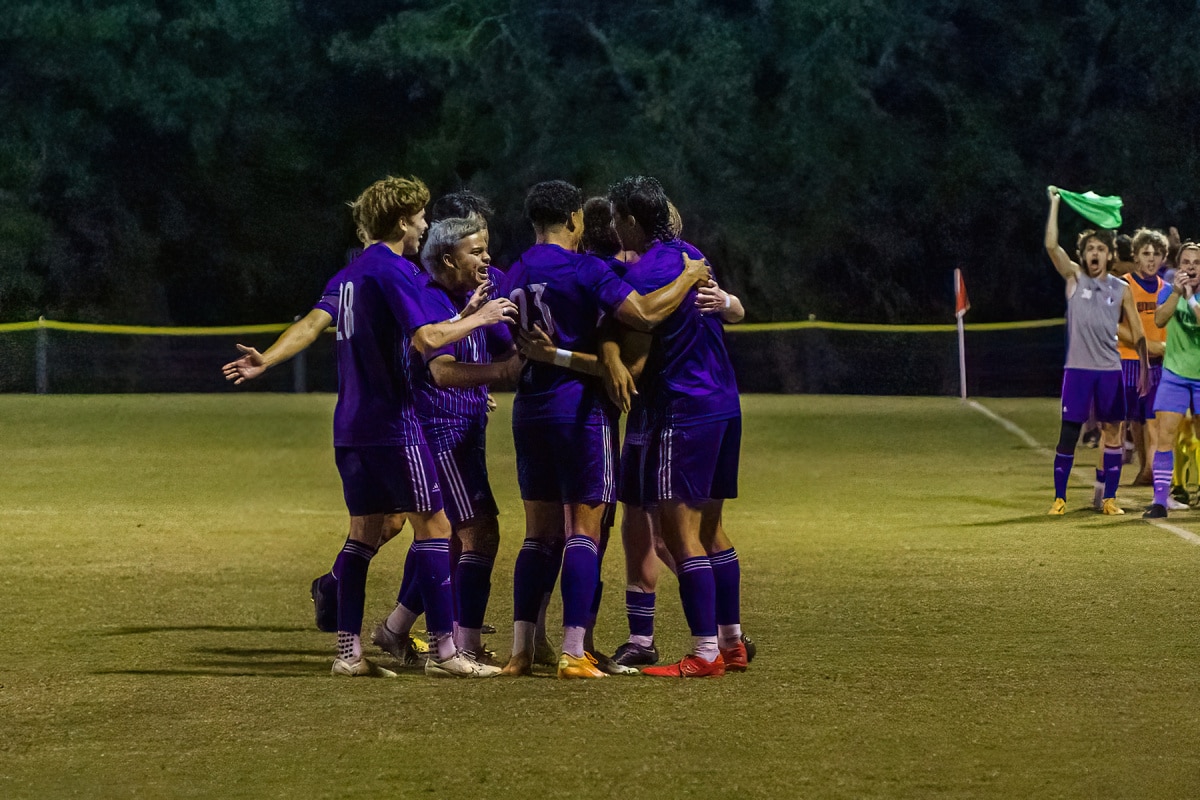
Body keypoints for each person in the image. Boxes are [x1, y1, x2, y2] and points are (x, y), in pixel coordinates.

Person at [225, 176, 509, 678]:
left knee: (363, 533)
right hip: (396, 425)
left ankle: (348, 654)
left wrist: (265, 359)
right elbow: (429, 338)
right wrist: (481, 318)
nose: (425, 226)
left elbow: (312, 324)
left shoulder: (352, 274)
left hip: (349, 427)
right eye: (420, 217)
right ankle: (446, 653)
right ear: (402, 220)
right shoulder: (395, 271)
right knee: (437, 528)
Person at [497, 179, 710, 679]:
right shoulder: (585, 268)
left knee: (537, 536)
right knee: (584, 532)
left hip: (529, 409)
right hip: (580, 410)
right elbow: (645, 313)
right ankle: (574, 651)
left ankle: (521, 650)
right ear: (574, 219)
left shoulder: (513, 273)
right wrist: (689, 274)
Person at [601, 175, 749, 678]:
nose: (612, 226)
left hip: (680, 411)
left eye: (616, 217)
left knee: (677, 533)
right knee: (711, 529)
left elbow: (636, 323)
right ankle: (731, 644)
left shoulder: (650, 271)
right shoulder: (692, 253)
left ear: (631, 221)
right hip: (723, 404)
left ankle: (705, 653)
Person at [371, 215, 520, 665]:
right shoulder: (430, 298)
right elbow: (442, 370)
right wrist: (501, 374)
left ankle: (395, 628)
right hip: (441, 433)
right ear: (449, 258)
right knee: (478, 533)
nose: (487, 258)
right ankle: (462, 643)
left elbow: (506, 343)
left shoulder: (472, 297)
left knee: (447, 537)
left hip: (465, 430)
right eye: (477, 251)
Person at [1044, 187, 1148, 516]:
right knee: (1069, 433)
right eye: (1090, 248)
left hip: (1110, 372)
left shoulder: (1122, 289)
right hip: (1077, 370)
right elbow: (1050, 245)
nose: (1095, 253)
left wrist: (1144, 368)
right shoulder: (1074, 277)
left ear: (1109, 256)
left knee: (1113, 431)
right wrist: (1056, 204)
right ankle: (1060, 498)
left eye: (1101, 248)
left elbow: (1139, 333)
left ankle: (1109, 498)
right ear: (1083, 254)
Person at [1144, 243, 1200, 518]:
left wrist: (1190, 298)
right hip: (1175, 374)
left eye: (1197, 262)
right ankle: (1160, 501)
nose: (1191, 267)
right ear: (1178, 267)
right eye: (1186, 262)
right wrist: (1178, 292)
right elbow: (1159, 320)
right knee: (1165, 435)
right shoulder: (1169, 291)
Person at [1114, 229, 1168, 491]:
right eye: (1146, 254)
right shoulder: (1123, 285)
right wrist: (1142, 343)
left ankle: (1150, 470)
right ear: (1135, 256)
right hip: (1127, 361)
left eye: (1156, 254)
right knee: (1131, 419)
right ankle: (1117, 476)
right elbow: (1112, 325)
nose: (1151, 259)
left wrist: (1165, 347)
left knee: (1153, 417)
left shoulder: (1167, 290)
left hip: (1157, 364)